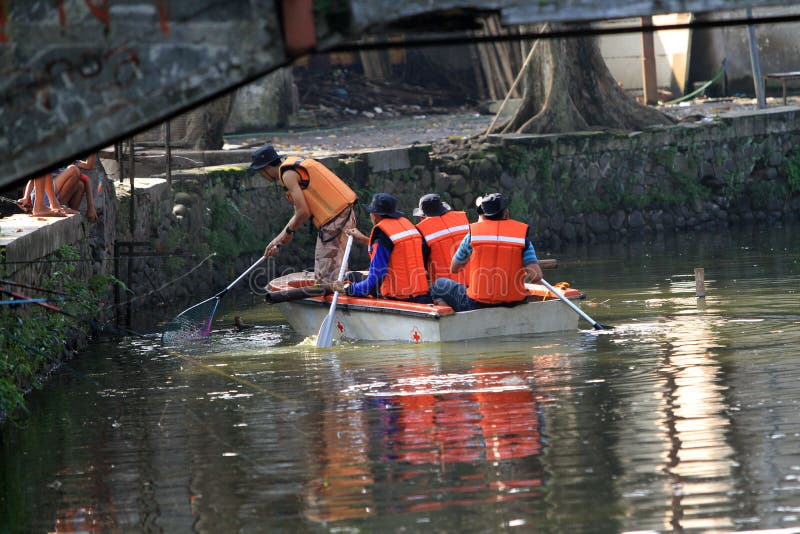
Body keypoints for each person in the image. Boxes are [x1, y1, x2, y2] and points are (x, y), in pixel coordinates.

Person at [250, 145, 357, 283]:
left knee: (326, 274)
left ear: (267, 168)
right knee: (336, 269)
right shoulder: (292, 167)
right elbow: (298, 213)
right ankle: (340, 290)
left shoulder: (287, 175)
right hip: (344, 215)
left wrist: (289, 231)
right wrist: (279, 240)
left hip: (334, 221)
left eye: (260, 172)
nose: (261, 176)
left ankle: (330, 298)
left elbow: (303, 212)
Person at [431, 193, 542, 312]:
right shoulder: (522, 238)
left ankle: (451, 321)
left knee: (438, 285)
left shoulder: (472, 236)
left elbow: (454, 268)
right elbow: (536, 275)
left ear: (484, 215)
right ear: (506, 213)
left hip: (476, 304)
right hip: (513, 303)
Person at [331, 193, 432, 303]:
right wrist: (363, 239)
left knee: (351, 277)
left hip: (399, 295)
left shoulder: (382, 237)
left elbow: (372, 282)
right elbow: (396, 250)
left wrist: (347, 289)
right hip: (422, 293)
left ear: (376, 215)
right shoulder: (407, 227)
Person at [19, 154, 98, 221]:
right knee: (73, 169)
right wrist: (26, 197)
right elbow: (32, 180)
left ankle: (63, 207)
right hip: (42, 195)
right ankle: (54, 206)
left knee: (80, 185)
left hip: (54, 196)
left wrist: (91, 207)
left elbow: (88, 169)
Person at [413, 193, 469, 285]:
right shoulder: (463, 220)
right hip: (475, 285)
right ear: (445, 210)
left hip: (447, 291)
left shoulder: (423, 231)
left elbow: (421, 268)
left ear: (422, 217)